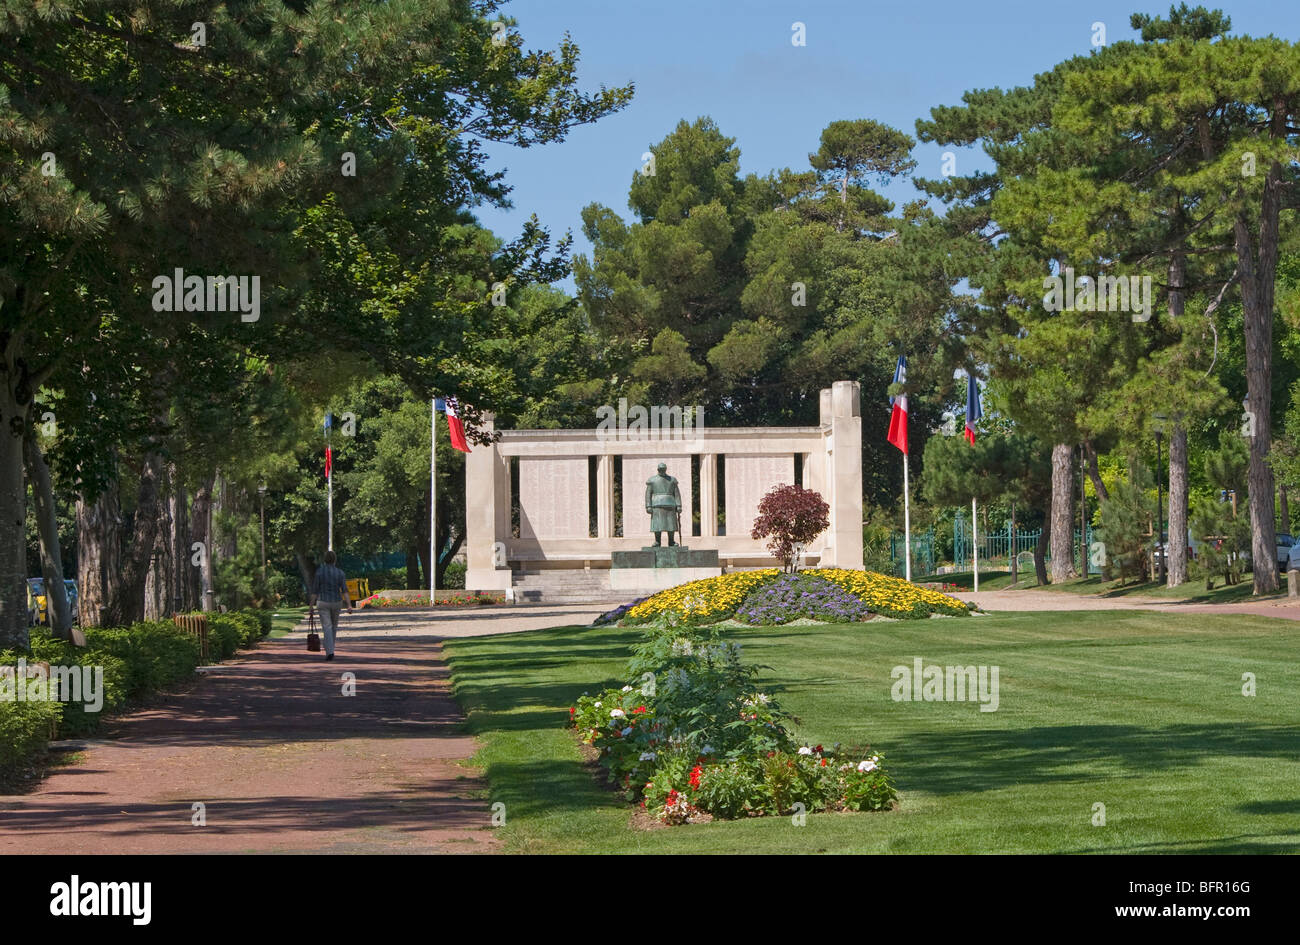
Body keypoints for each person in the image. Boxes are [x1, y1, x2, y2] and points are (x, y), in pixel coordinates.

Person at [310, 550, 350, 661]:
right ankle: (330, 649)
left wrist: (311, 606)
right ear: (335, 560)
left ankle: (330, 651)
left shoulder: (319, 572)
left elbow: (315, 591)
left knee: (327, 626)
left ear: (324, 559)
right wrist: (349, 604)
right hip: (337, 602)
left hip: (323, 601)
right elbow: (344, 590)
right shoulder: (340, 573)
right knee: (333, 626)